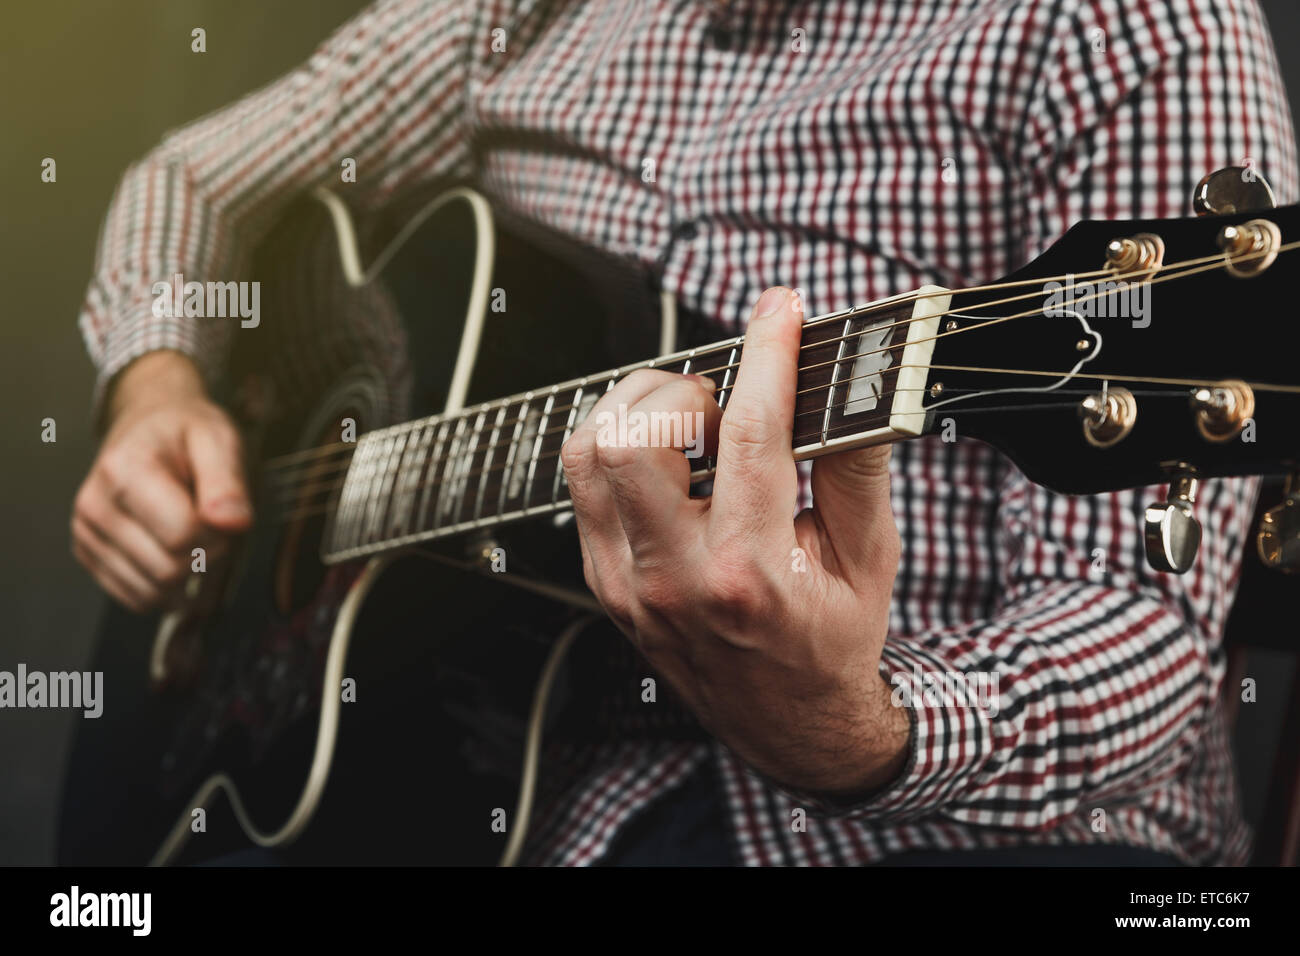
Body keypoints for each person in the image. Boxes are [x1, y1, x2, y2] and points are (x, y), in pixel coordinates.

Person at [72, 0, 1297, 865]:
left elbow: (1142, 626)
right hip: (438, 767)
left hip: (936, 828)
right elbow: (192, 182)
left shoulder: (1127, 21)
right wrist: (157, 387)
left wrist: (860, 727)